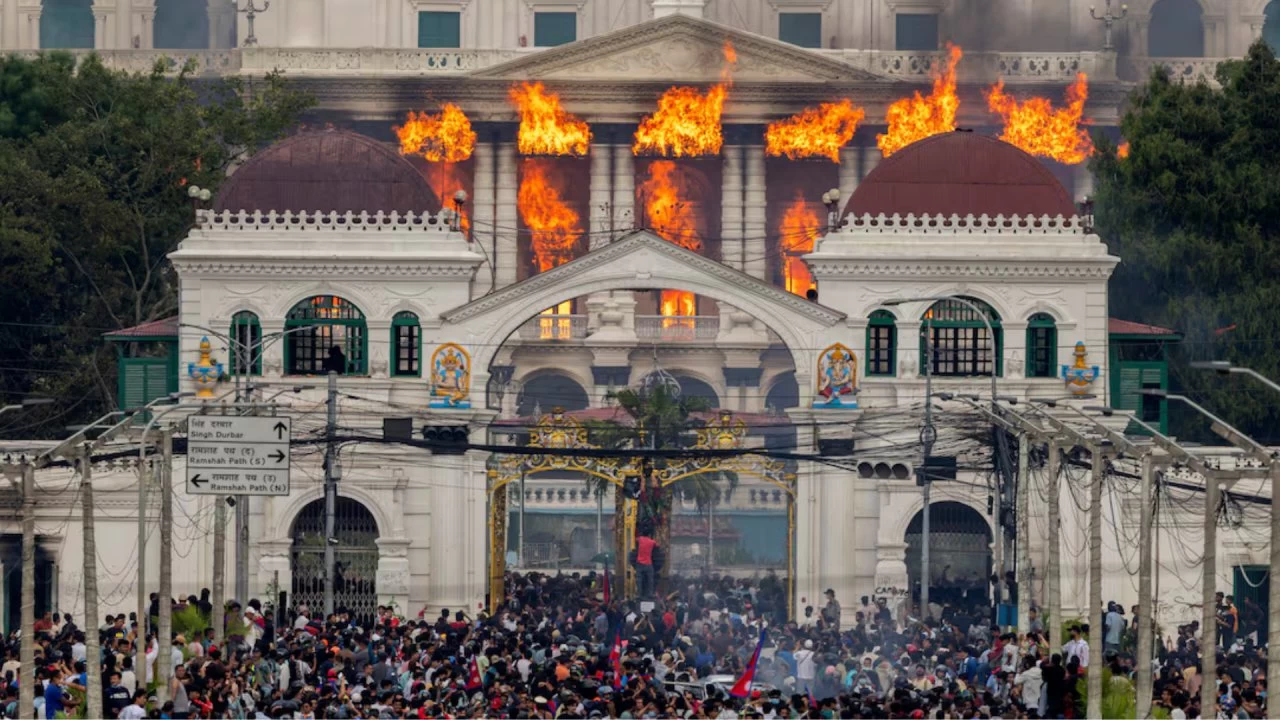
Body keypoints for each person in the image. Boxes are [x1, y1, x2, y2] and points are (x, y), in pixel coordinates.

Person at [633, 534, 657, 599]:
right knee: (650, 579)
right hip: (648, 563)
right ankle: (650, 594)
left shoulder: (640, 539)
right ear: (649, 535)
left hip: (639, 563)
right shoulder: (652, 542)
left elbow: (635, 540)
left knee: (638, 579)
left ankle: (639, 594)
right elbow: (657, 546)